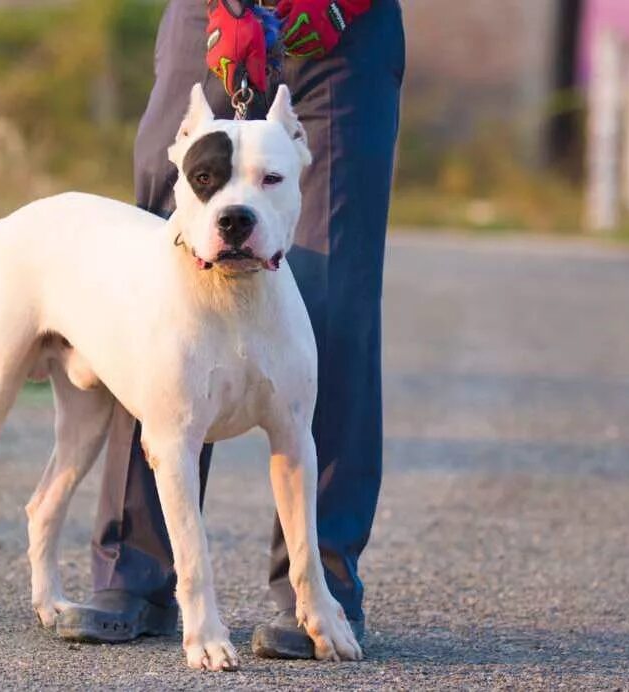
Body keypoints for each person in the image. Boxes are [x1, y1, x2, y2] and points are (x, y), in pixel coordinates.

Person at [56, 0, 405, 658]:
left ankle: (317, 585)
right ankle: (137, 566)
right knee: (161, 276)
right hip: (211, 17)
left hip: (345, 40)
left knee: (331, 296)